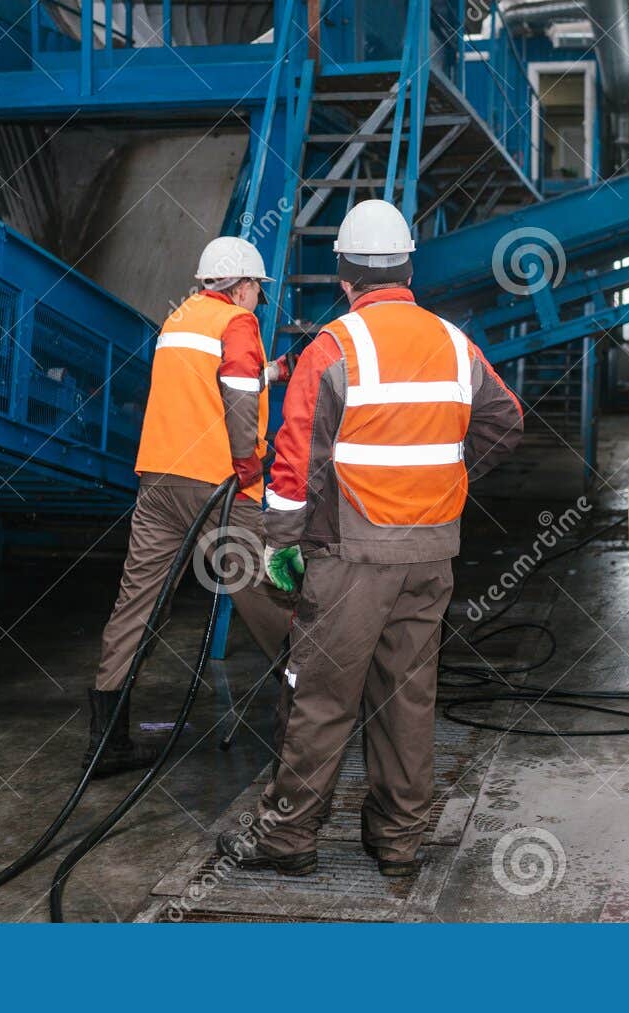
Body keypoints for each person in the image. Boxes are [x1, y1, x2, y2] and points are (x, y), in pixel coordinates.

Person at [219, 200, 524, 876]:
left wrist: (282, 545)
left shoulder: (334, 347)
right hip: (431, 555)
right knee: (408, 697)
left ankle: (288, 835)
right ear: (408, 268)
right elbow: (506, 423)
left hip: (353, 557)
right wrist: (448, 475)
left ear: (346, 277)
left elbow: (293, 464)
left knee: (322, 696)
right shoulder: (454, 343)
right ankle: (399, 841)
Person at [83, 235, 294, 776]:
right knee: (267, 594)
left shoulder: (179, 321)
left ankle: (107, 744)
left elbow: (209, 383)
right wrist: (249, 464)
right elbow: (239, 399)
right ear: (243, 285)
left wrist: (276, 371)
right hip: (216, 485)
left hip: (158, 483)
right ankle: (315, 715)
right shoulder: (238, 324)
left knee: (138, 604)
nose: (257, 303)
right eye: (257, 293)